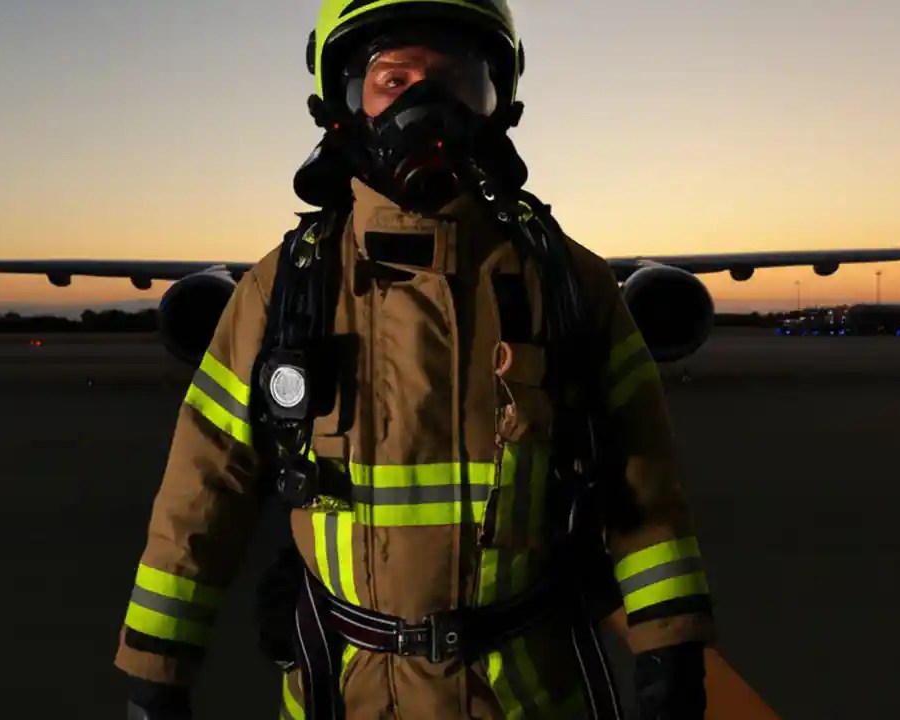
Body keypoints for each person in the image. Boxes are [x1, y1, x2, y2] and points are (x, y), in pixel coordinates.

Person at [114, 1, 716, 718]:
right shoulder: (284, 288)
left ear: (497, 103)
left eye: (454, 81)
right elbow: (201, 489)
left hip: (524, 695)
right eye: (393, 80)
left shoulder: (569, 285)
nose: (425, 108)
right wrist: (156, 671)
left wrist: (672, 649)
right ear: (342, 105)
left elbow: (647, 488)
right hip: (345, 690)